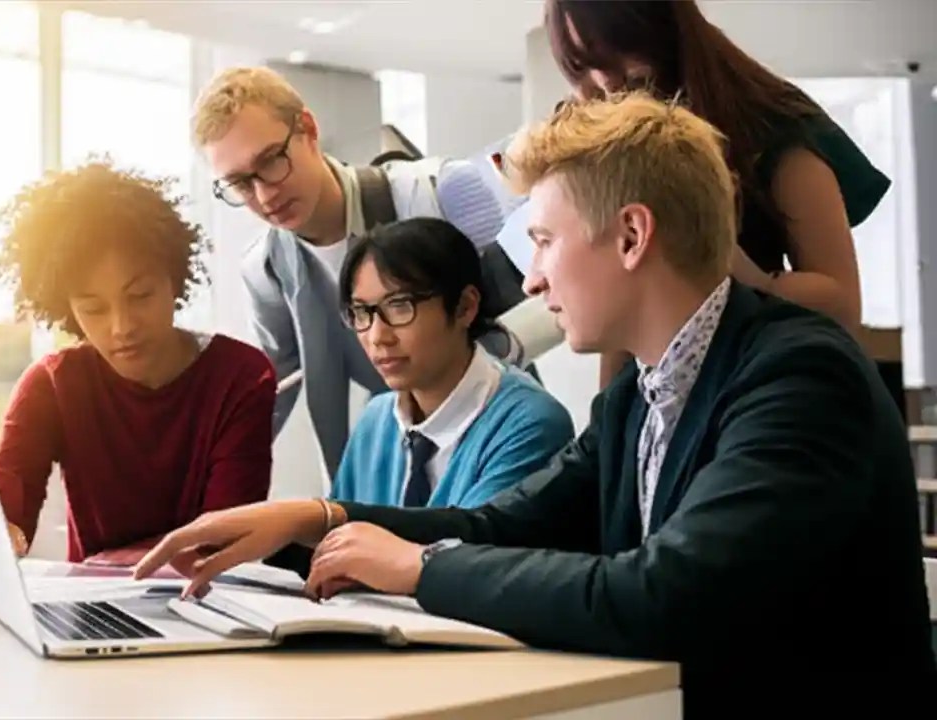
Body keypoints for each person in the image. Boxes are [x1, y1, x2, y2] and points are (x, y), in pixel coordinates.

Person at [137, 94, 936, 714]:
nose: (531, 279)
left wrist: (419, 568)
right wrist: (315, 520)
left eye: (545, 241)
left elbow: (666, 596)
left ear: (632, 236)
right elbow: (502, 524)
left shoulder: (799, 377)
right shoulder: (636, 396)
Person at [193, 66, 560, 482]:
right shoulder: (265, 270)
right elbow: (273, 390)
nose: (264, 195)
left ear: (308, 129)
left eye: (272, 160)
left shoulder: (439, 193)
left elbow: (557, 283)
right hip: (397, 456)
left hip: (496, 436)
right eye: (240, 184)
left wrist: (489, 351)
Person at [543, 0, 895, 397]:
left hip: (761, 383)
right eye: (580, 67)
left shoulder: (773, 126)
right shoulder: (610, 142)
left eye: (615, 53)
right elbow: (626, 323)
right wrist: (611, 417)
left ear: (658, 29)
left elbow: (843, 306)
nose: (605, 83)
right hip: (659, 395)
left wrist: (747, 277)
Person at [0, 160, 276, 571]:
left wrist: (113, 562)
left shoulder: (240, 376)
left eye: (141, 296)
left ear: (173, 279)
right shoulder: (53, 385)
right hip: (92, 603)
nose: (121, 327)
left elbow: (223, 538)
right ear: (67, 309)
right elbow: (8, 512)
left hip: (208, 599)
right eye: (93, 309)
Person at [332, 217, 573, 508]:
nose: (377, 337)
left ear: (465, 307)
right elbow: (335, 531)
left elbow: (469, 537)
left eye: (399, 307)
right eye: (362, 313)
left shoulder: (531, 425)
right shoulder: (375, 421)